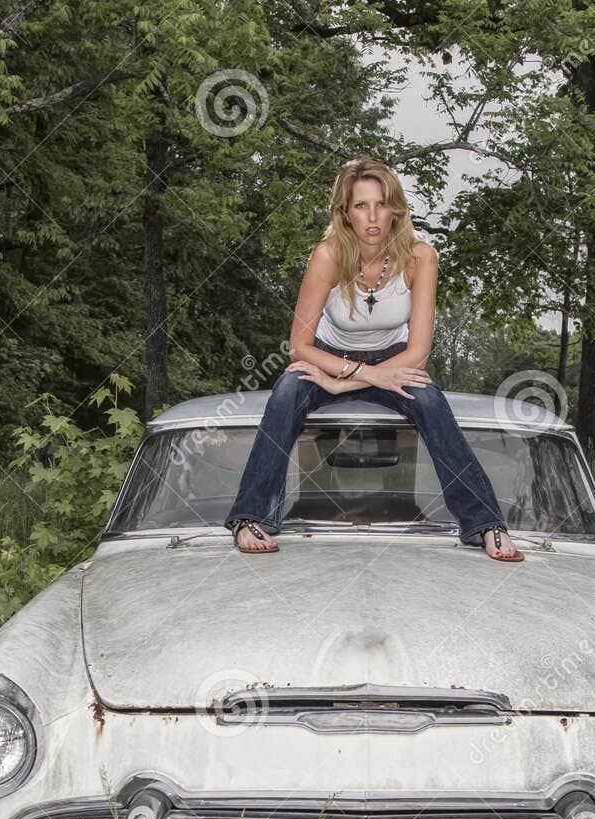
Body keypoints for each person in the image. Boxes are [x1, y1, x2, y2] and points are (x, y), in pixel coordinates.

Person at [222, 157, 524, 561]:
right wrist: (354, 375)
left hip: (397, 358)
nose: (373, 216)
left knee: (431, 402)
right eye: (361, 206)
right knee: (285, 393)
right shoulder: (327, 256)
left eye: (381, 204)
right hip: (327, 357)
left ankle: (485, 523)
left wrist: (346, 386)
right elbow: (299, 346)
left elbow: (417, 352)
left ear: (396, 207)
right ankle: (251, 516)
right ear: (345, 213)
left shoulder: (420, 256)